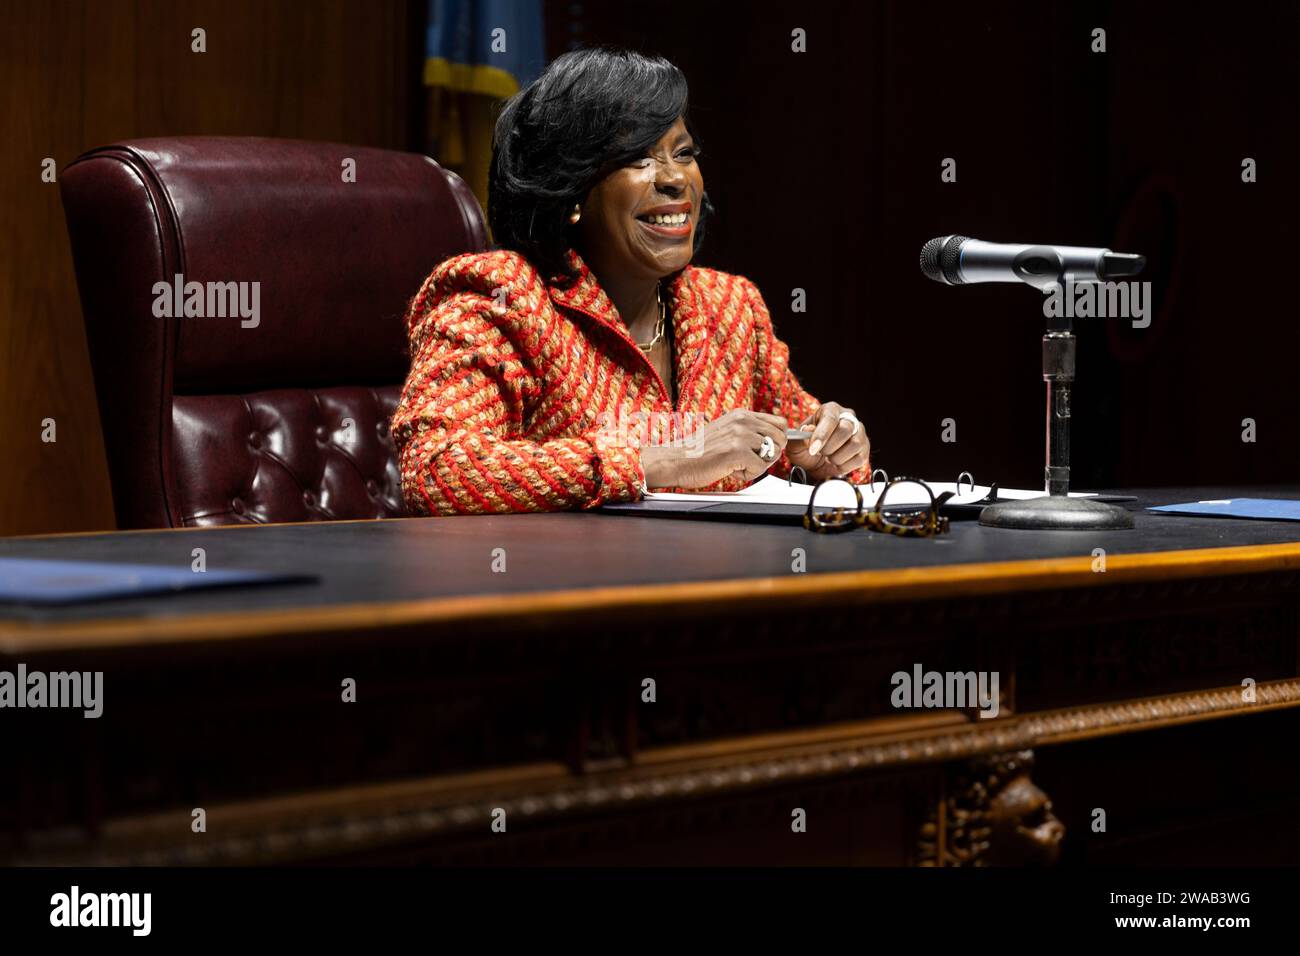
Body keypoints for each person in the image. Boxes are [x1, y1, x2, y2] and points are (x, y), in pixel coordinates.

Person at [393, 48, 870, 516]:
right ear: (571, 189)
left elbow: (796, 442)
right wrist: (658, 462)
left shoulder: (729, 307)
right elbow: (437, 471)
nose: (674, 179)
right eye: (639, 158)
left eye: (682, 153)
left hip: (722, 587)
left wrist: (823, 456)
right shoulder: (501, 299)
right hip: (567, 587)